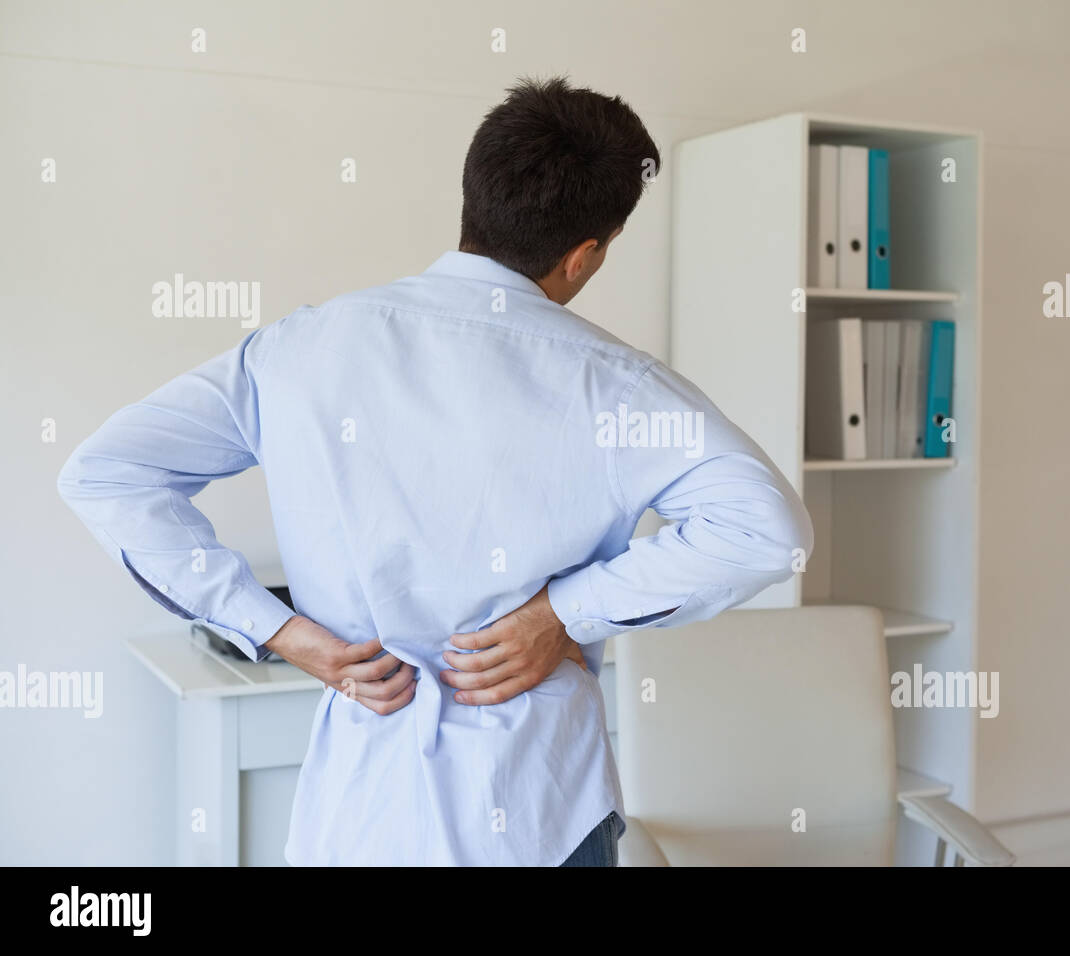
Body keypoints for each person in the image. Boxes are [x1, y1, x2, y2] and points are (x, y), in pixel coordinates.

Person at [57, 75, 813, 866]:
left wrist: (276, 630)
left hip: (359, 817)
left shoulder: (301, 349)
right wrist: (564, 612)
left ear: (473, 198)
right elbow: (768, 531)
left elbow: (107, 473)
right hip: (542, 810)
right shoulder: (618, 383)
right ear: (585, 253)